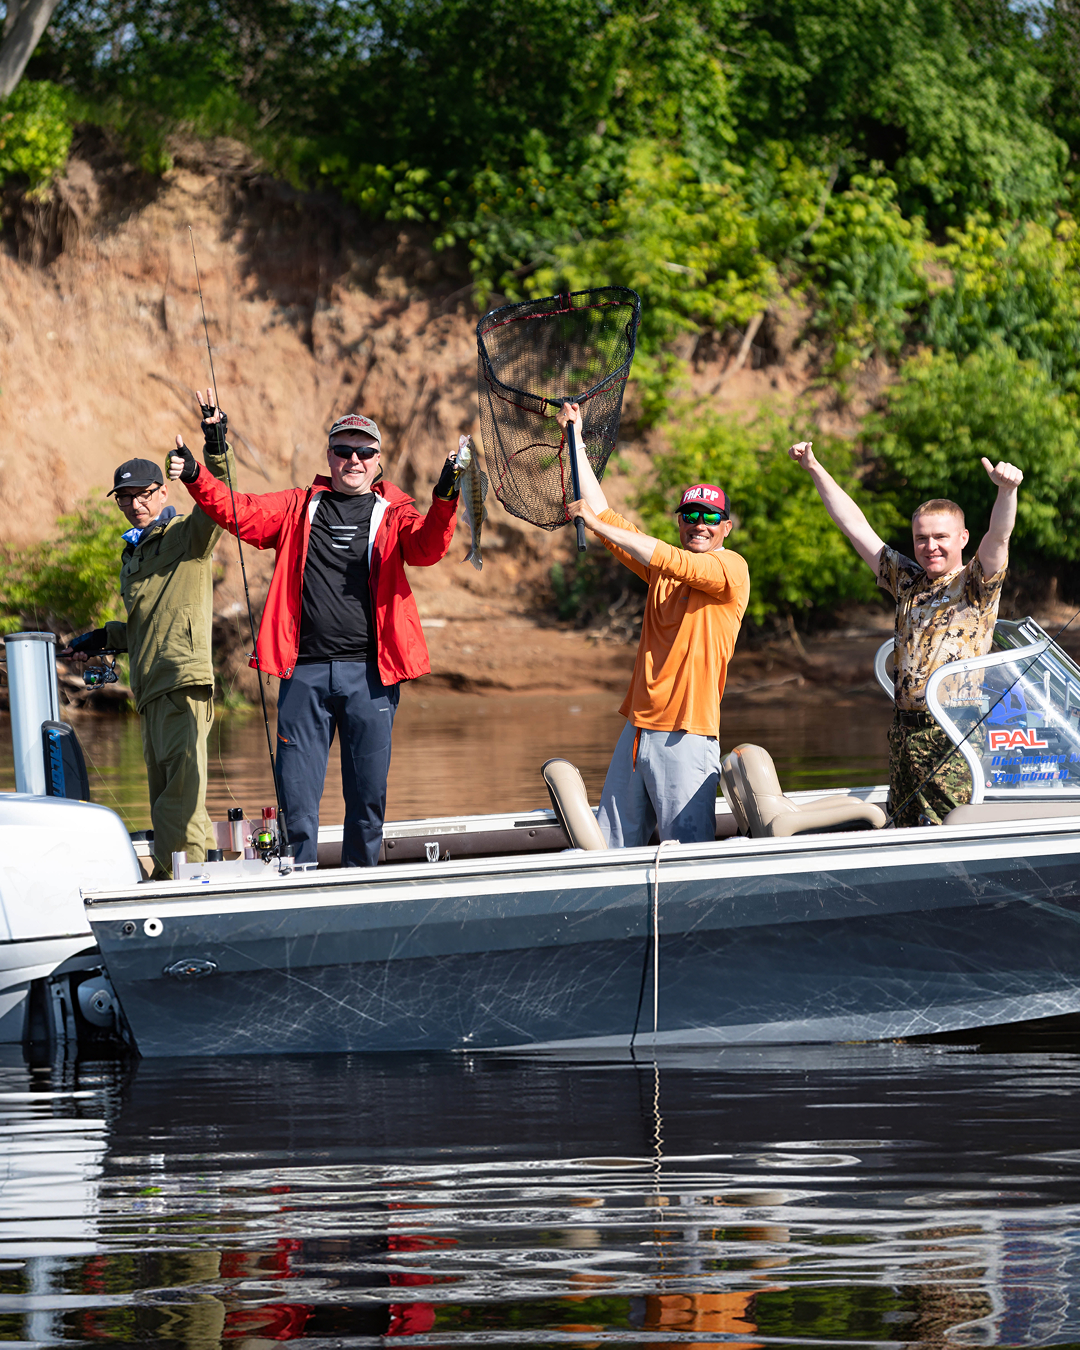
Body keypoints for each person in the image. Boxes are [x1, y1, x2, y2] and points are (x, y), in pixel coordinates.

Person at [167, 410, 460, 868]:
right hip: (303, 674)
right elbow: (237, 511)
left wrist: (445, 495)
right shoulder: (298, 506)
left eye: (364, 452)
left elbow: (428, 547)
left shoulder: (395, 513)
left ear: (378, 458)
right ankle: (297, 881)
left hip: (372, 677)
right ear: (330, 456)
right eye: (344, 451)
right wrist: (194, 474)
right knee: (297, 802)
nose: (354, 460)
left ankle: (360, 885)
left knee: (367, 802)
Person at [788, 440, 1024, 826]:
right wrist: (814, 467)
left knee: (952, 831)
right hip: (904, 733)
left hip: (953, 733)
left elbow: (998, 537)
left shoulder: (976, 583)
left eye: (941, 537)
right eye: (921, 538)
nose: (930, 546)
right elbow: (854, 526)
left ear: (963, 539)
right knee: (904, 829)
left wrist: (1006, 491)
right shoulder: (907, 580)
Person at [60, 396, 236, 878]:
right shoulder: (131, 557)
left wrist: (214, 445)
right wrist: (104, 637)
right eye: (124, 497)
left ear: (162, 492)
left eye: (143, 494)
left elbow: (222, 502)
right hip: (150, 690)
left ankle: (173, 881)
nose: (134, 504)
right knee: (167, 797)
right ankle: (189, 876)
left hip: (183, 682)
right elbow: (146, 624)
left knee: (178, 800)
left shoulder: (187, 536)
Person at [561, 401, 750, 846]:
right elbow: (605, 514)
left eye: (709, 518)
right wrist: (577, 440)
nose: (698, 525)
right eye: (690, 516)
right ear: (680, 521)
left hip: (688, 732)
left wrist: (597, 525)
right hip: (637, 730)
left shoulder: (731, 569)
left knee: (687, 852)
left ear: (726, 527)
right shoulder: (663, 568)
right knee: (610, 849)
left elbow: (657, 551)